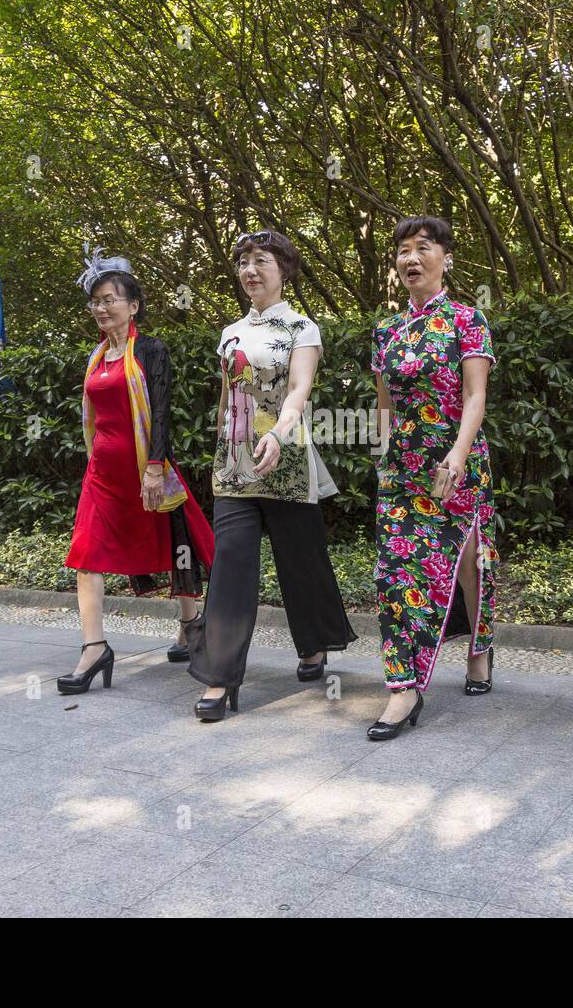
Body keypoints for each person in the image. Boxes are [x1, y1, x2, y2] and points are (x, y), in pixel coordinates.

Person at [188, 229, 356, 721]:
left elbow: (299, 390)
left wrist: (280, 434)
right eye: (244, 262)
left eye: (261, 260)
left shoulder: (302, 328)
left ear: (284, 270)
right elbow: (225, 397)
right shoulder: (230, 332)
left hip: (285, 455)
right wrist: (221, 447)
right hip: (236, 463)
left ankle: (315, 644)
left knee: (300, 559)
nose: (250, 270)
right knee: (231, 564)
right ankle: (220, 678)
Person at [58, 249, 214, 695]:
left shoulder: (150, 350)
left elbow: (160, 413)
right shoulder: (96, 356)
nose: (102, 308)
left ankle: (190, 622)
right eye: (96, 302)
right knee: (86, 553)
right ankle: (95, 647)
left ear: (134, 305)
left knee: (174, 542)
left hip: (147, 468)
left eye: (110, 299)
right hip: (102, 474)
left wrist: (154, 469)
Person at [366, 216, 499, 740]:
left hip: (456, 461)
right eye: (403, 250)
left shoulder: (468, 318)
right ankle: (403, 689)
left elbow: (475, 394)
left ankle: (479, 650)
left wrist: (458, 455)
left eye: (423, 248)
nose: (411, 258)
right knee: (396, 570)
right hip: (402, 467)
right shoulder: (387, 331)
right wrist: (382, 458)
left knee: (468, 561)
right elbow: (384, 406)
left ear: (445, 258)